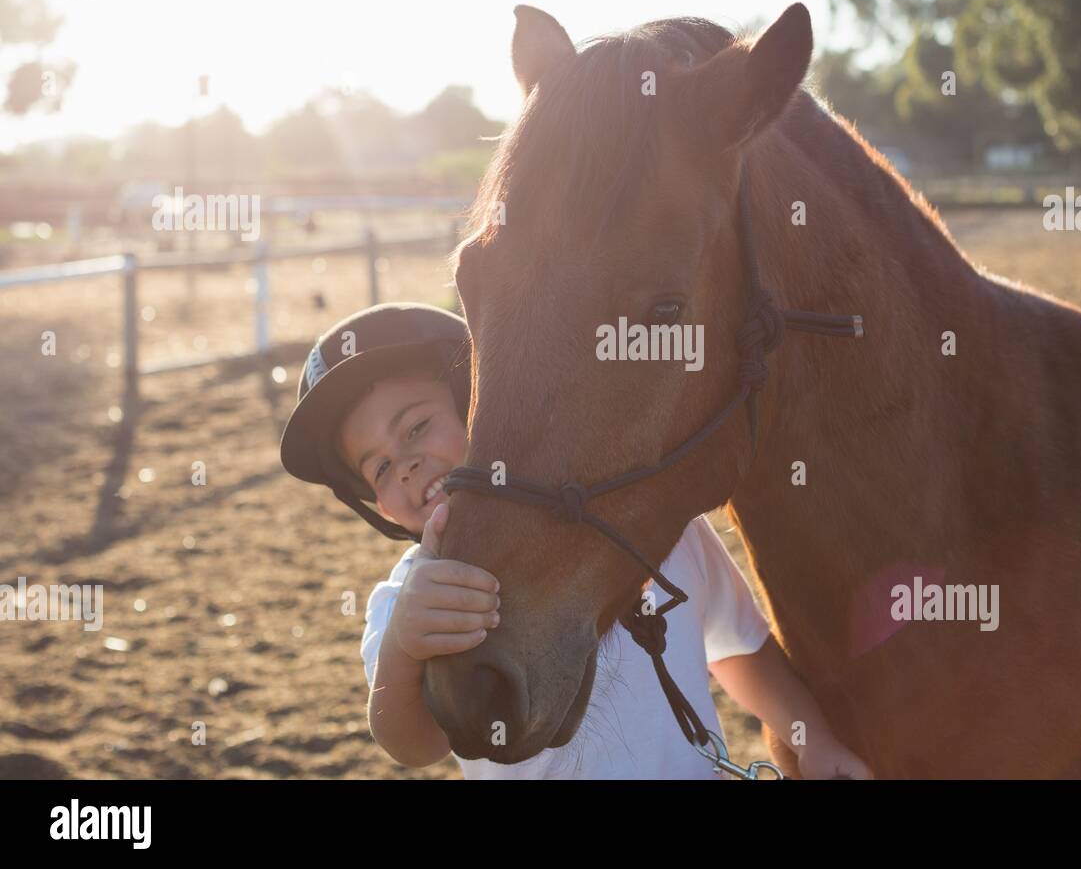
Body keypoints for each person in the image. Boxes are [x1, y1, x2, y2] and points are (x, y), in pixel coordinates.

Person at [280, 302, 870, 779]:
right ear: (376, 503)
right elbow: (412, 743)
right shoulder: (411, 601)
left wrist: (810, 737)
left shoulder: (648, 521)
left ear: (478, 407)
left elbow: (738, 646)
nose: (405, 464)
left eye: (416, 427)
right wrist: (406, 646)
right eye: (378, 468)